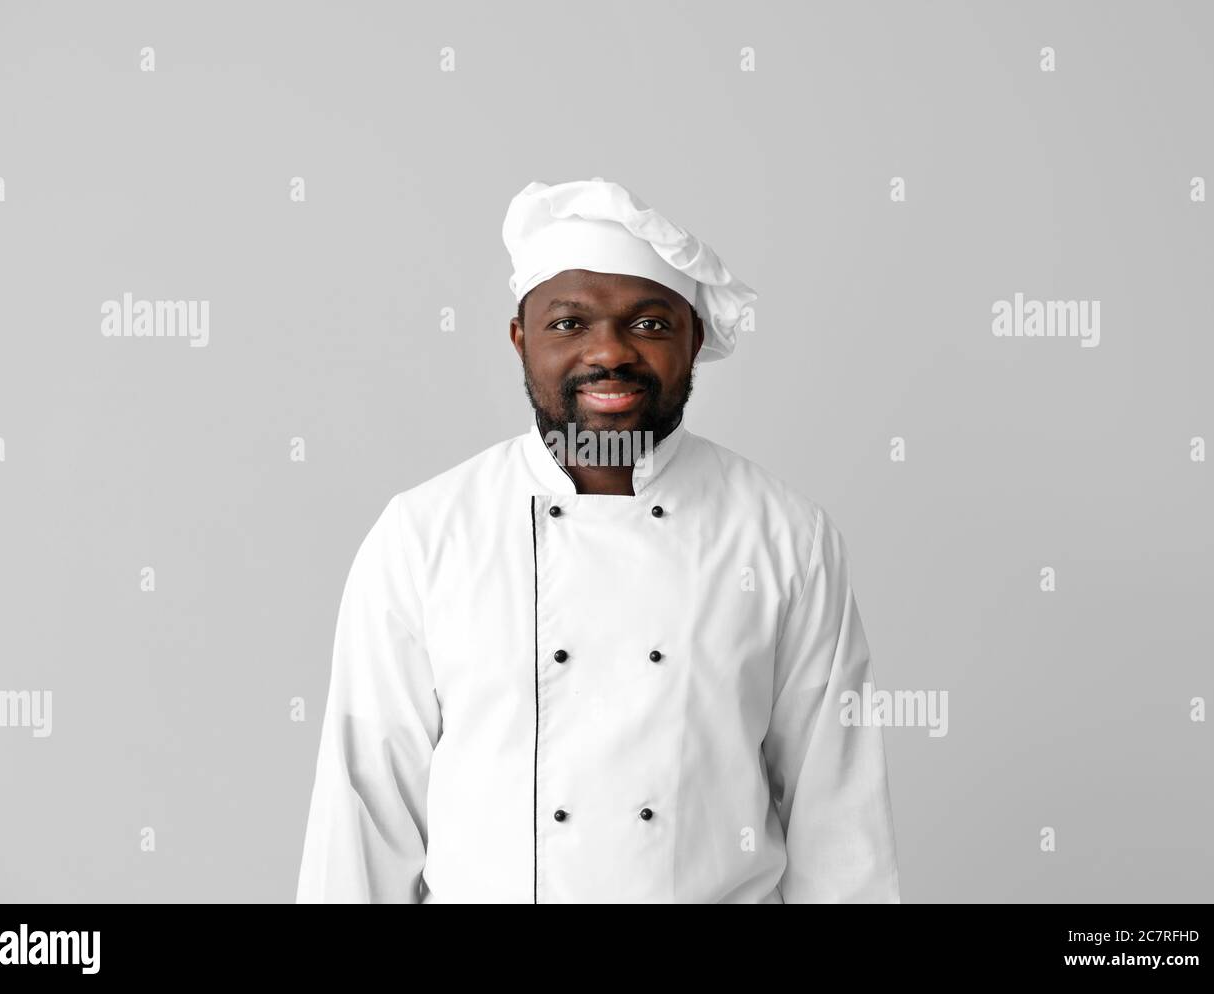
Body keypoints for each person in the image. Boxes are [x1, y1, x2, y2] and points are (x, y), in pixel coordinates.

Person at [295, 177, 901, 903]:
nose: (609, 352)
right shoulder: (426, 533)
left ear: (694, 340)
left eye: (649, 324)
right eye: (568, 323)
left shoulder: (786, 537)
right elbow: (364, 808)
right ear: (520, 338)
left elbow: (839, 822)